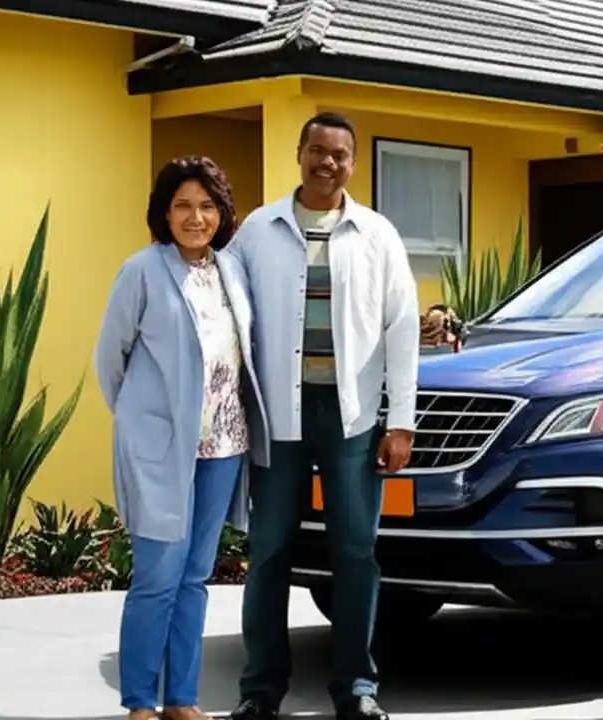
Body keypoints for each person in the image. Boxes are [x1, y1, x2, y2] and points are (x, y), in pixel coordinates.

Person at [226, 111, 420, 720]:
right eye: (316, 150)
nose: (326, 162)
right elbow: (226, 310)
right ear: (299, 154)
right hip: (278, 418)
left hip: (352, 416)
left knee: (356, 552)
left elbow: (403, 330)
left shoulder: (377, 234)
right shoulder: (258, 230)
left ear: (352, 163)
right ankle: (260, 690)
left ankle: (357, 689)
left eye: (338, 154)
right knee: (269, 552)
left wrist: (401, 421)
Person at [94, 156, 269, 720]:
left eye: (207, 206)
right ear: (164, 213)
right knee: (157, 578)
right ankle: (141, 702)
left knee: (195, 577)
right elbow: (110, 361)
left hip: (224, 446)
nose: (196, 217)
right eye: (183, 206)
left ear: (221, 213)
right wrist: (140, 424)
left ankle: (182, 700)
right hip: (161, 449)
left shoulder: (232, 271)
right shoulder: (141, 270)